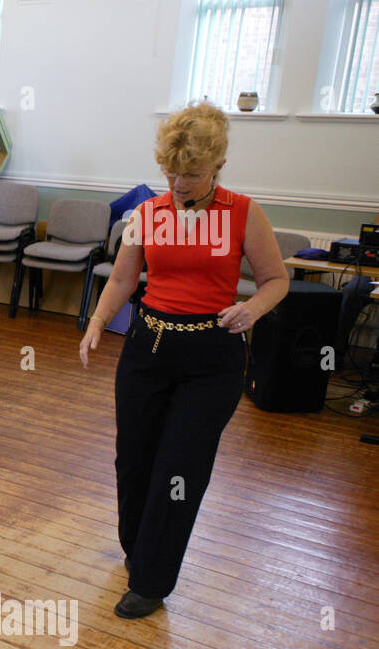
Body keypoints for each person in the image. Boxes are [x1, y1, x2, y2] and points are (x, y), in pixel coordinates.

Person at [80, 101, 288, 619]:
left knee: (180, 467)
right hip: (147, 348)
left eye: (191, 173)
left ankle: (151, 580)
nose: (178, 181)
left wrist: (252, 309)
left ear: (217, 164)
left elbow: (276, 279)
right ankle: (138, 552)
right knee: (134, 460)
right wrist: (97, 322)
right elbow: (125, 279)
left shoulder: (243, 212)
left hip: (211, 356)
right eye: (171, 171)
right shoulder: (148, 214)